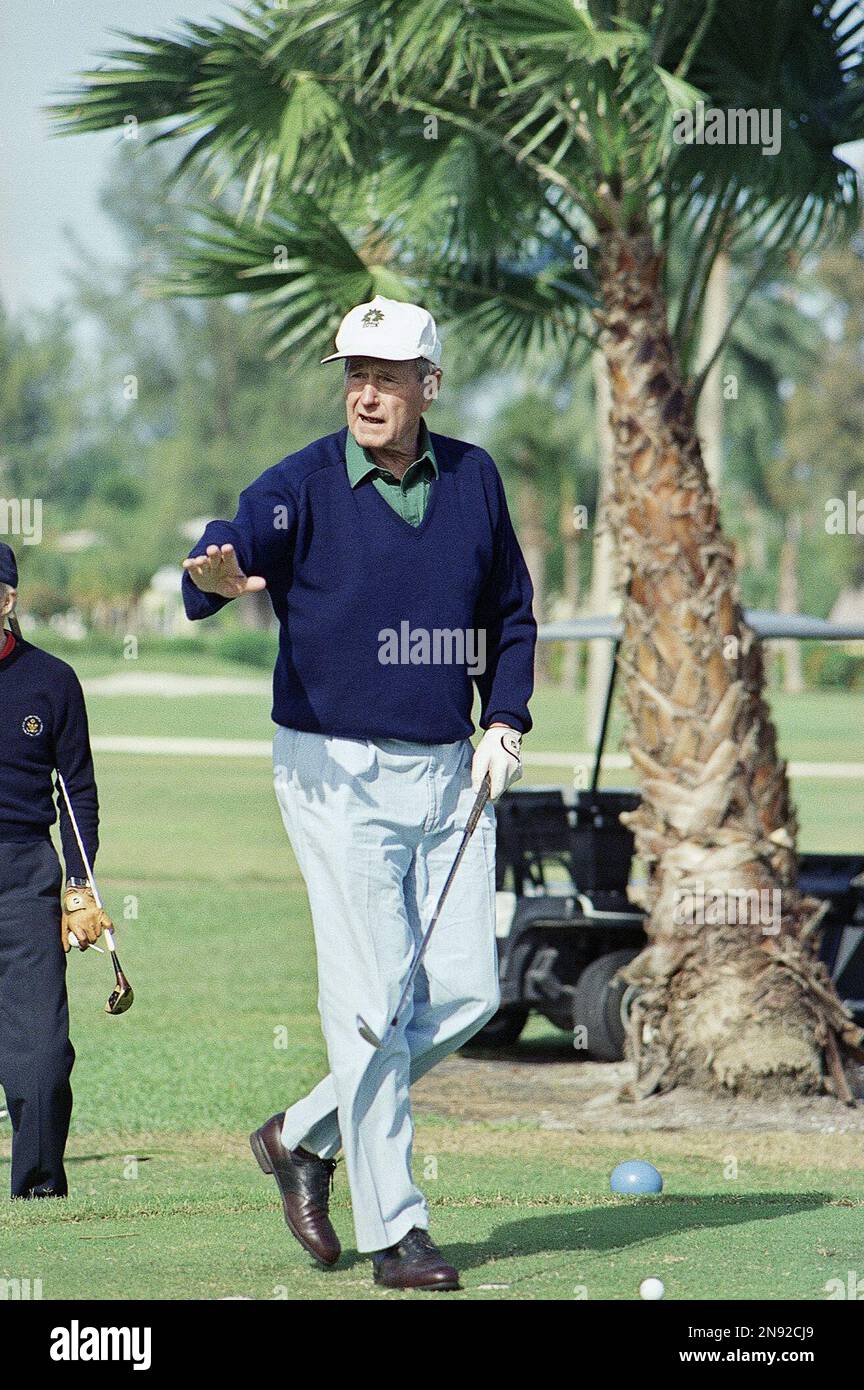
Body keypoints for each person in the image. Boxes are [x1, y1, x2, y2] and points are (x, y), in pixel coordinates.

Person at [182, 295, 536, 1290]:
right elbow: (227, 546)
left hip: (450, 768)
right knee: (374, 1004)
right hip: (331, 772)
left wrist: (505, 719)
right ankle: (400, 1232)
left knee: (469, 991)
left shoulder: (475, 479)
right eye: (354, 374)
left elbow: (512, 612)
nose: (367, 393)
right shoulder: (301, 485)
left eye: (387, 375)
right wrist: (209, 577)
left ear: (430, 382)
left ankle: (302, 1132)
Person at [0, 543, 114, 1198]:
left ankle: (39, 1188)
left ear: (8, 599)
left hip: (24, 875)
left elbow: (78, 794)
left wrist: (78, 885)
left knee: (39, 1060)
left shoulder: (52, 680)